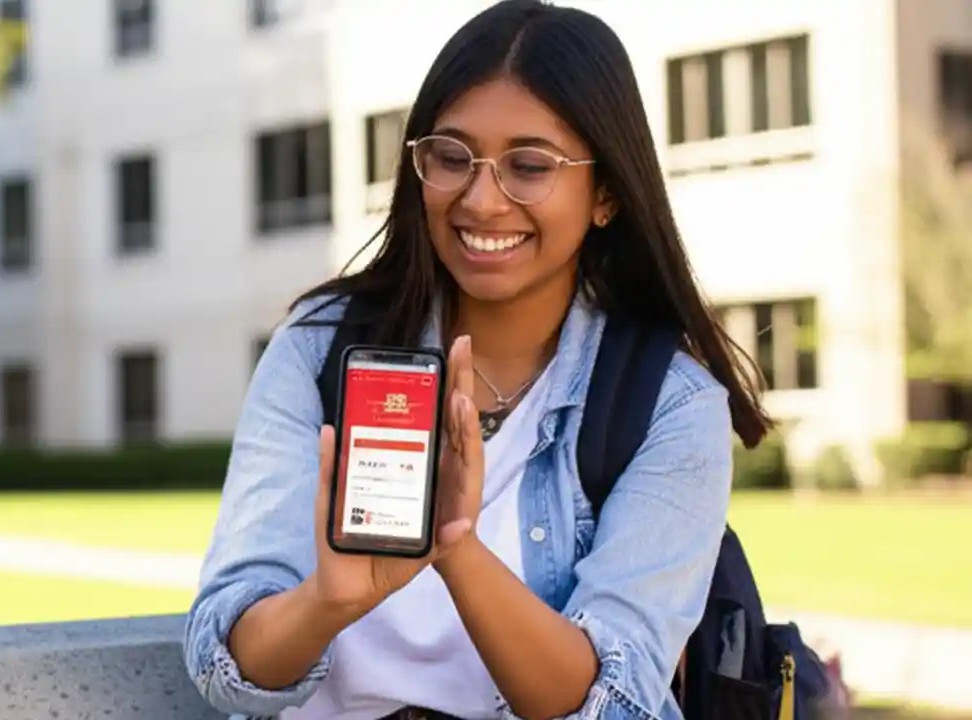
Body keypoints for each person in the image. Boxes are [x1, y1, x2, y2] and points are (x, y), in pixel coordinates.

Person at [183, 2, 772, 718]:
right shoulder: (318, 349)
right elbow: (225, 664)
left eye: (530, 166)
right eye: (451, 157)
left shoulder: (668, 404)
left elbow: (613, 701)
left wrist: (454, 548)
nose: (481, 198)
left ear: (607, 194)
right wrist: (327, 601)